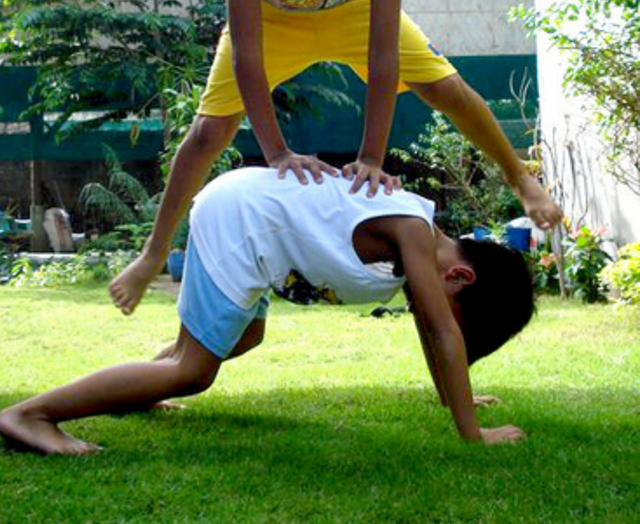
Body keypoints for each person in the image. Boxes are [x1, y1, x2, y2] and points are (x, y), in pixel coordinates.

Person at [108, 0, 561, 316]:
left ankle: (521, 176)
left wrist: (371, 158)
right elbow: (247, 54)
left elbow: (383, 56)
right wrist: (276, 153)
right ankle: (151, 256)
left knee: (444, 87)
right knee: (208, 133)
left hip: (354, 12)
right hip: (271, 18)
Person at [0, 167, 534, 455]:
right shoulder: (415, 231)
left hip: (255, 238)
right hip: (241, 221)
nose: (440, 315)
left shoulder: (421, 250)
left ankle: (140, 388)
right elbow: (442, 333)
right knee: (191, 371)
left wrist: (452, 395)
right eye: (457, 311)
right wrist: (473, 434)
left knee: (242, 338)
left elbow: (432, 327)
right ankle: (30, 416)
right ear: (460, 276)